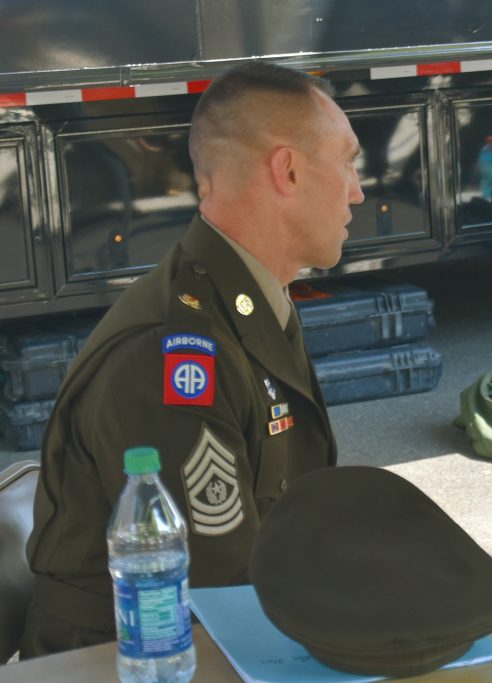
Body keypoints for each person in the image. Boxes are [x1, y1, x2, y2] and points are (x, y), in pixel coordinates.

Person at [21, 62, 364, 657]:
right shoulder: (174, 352)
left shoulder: (251, 298)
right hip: (128, 657)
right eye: (349, 162)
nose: (358, 190)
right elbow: (218, 592)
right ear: (287, 170)